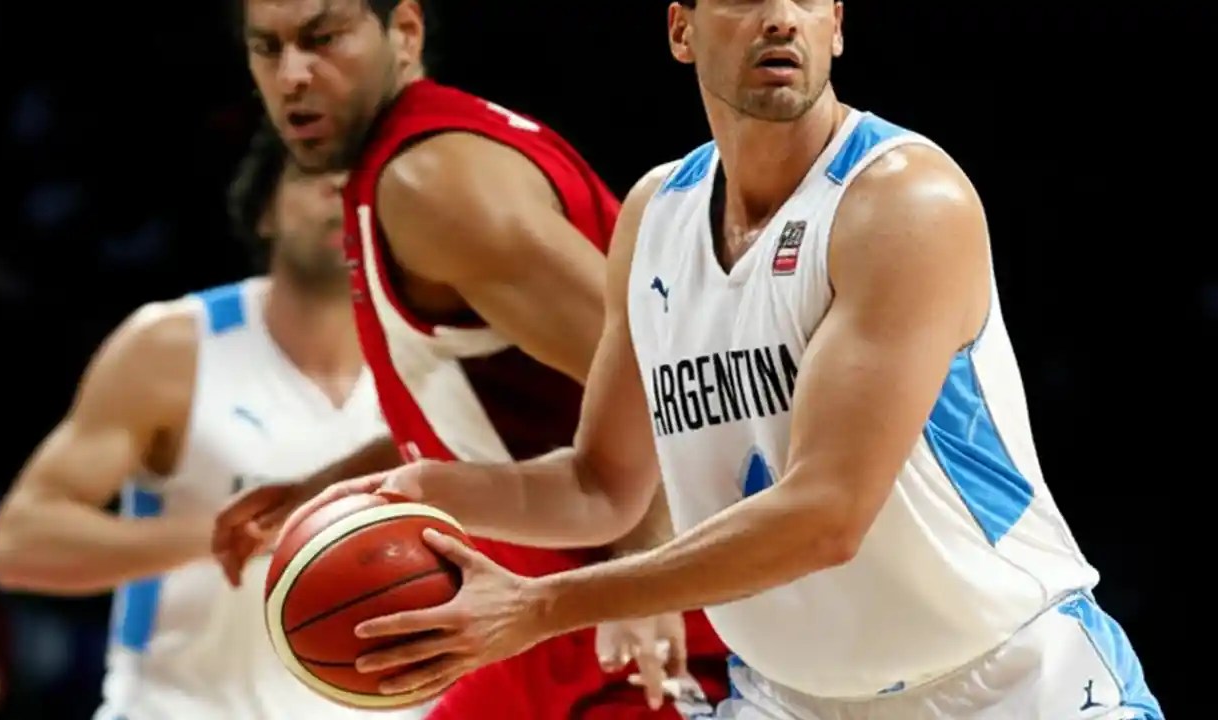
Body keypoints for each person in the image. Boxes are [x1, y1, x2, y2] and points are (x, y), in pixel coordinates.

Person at [277, 1, 1165, 719]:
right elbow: (598, 486)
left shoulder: (901, 200)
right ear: (682, 29)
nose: (780, 17)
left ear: (838, 26)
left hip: (1010, 684)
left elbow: (825, 517)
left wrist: (542, 608)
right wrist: (431, 488)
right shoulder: (656, 215)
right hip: (792, 700)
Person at [213, 0, 730, 717]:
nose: (293, 74)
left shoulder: (430, 183)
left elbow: (659, 366)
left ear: (406, 33)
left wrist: (644, 581)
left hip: (634, 621)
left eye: (322, 38)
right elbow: (487, 400)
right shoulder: (406, 165)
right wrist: (327, 483)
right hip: (537, 619)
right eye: (267, 48)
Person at [0, 123, 416, 720]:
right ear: (263, 209)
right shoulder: (175, 346)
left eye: (365, 181)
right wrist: (245, 534)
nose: (342, 190)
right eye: (317, 173)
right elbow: (20, 543)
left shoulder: (437, 361)